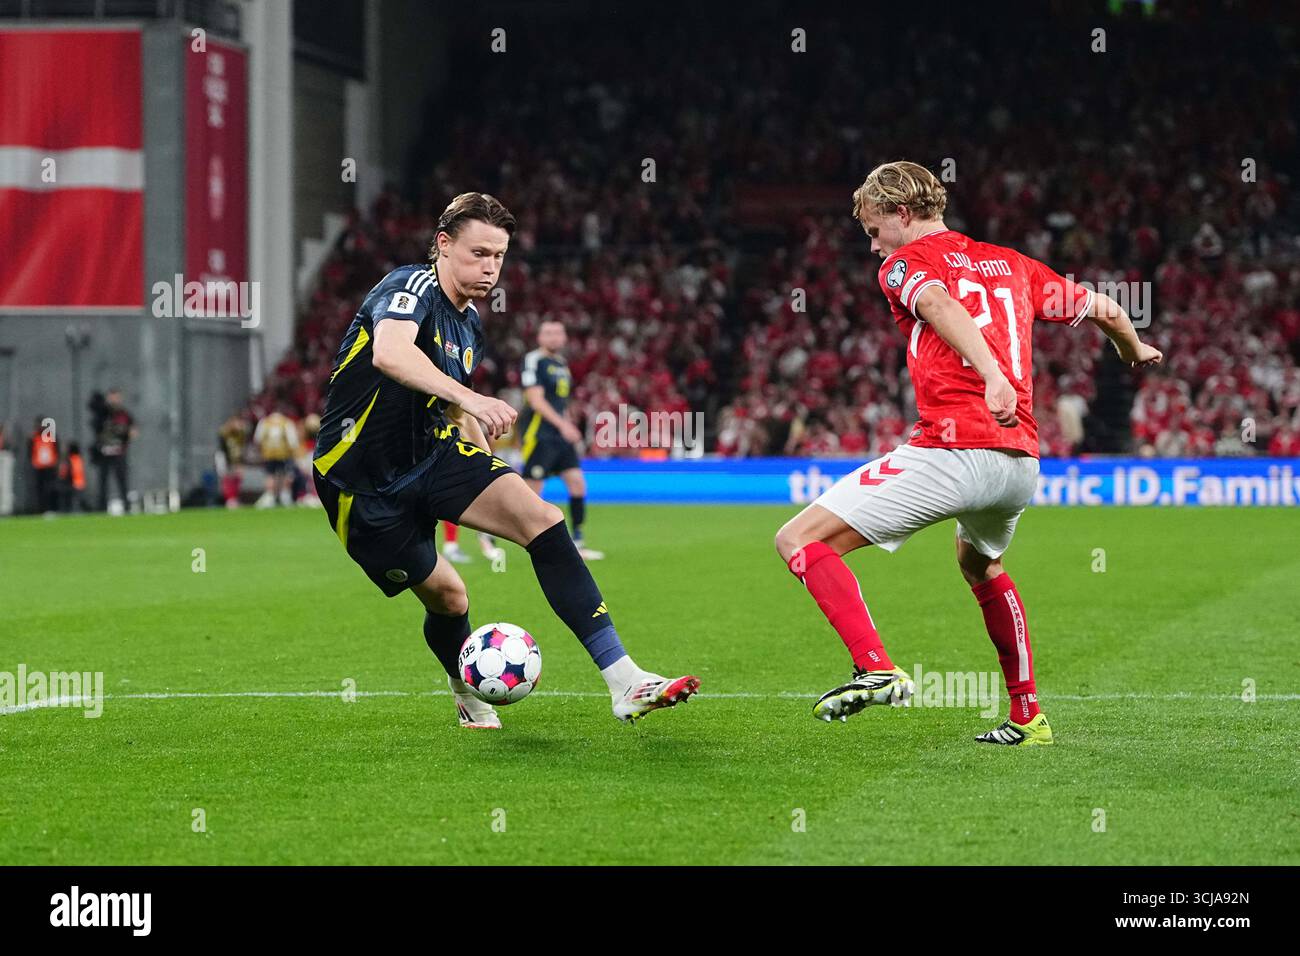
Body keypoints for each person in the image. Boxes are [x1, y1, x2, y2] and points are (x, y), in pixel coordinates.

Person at [774, 161, 1163, 745]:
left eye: (875, 229)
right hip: (1019, 463)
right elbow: (1106, 309)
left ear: (903, 214)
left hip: (956, 449)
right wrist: (1134, 349)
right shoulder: (1013, 264)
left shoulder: (907, 264)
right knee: (979, 564)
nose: (873, 244)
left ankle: (875, 666)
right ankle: (1028, 716)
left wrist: (991, 376)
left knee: (798, 539)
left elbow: (940, 307)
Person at [311, 192, 697, 729]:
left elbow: (448, 403)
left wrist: (487, 471)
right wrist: (474, 401)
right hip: (360, 483)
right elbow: (391, 354)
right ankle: (465, 693)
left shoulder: (468, 326)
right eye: (478, 253)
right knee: (449, 597)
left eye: (499, 256)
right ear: (443, 246)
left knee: (543, 519)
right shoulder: (408, 286)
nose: (490, 268)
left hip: (434, 455)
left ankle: (625, 680)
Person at [518, 320, 602, 559]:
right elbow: (535, 400)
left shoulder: (562, 365)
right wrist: (563, 425)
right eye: (548, 333)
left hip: (559, 435)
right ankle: (493, 532)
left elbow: (560, 402)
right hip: (540, 433)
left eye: (558, 333)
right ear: (539, 337)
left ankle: (577, 540)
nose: (553, 337)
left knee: (577, 483)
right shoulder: (534, 360)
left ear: (564, 338)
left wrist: (569, 425)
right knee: (530, 491)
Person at [92, 389, 137, 514]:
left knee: (122, 480)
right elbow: (96, 428)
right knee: (103, 482)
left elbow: (133, 431)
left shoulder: (124, 414)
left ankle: (126, 506)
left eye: (116, 397)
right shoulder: (102, 414)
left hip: (119, 452)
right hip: (104, 453)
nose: (113, 400)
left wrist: (124, 434)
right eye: (111, 398)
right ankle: (101, 508)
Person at [253, 406, 300, 507]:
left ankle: (270, 496)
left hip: (269, 454)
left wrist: (262, 452)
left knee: (270, 475)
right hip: (284, 454)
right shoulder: (286, 422)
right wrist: (294, 454)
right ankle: (284, 496)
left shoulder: (265, 422)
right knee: (285, 475)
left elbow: (258, 439)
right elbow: (293, 442)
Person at [28, 415, 58, 513]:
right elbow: (30, 452)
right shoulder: (34, 438)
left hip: (49, 467)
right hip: (39, 467)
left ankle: (51, 509)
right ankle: (41, 509)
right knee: (39, 490)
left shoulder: (51, 436)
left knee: (50, 488)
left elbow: (56, 450)